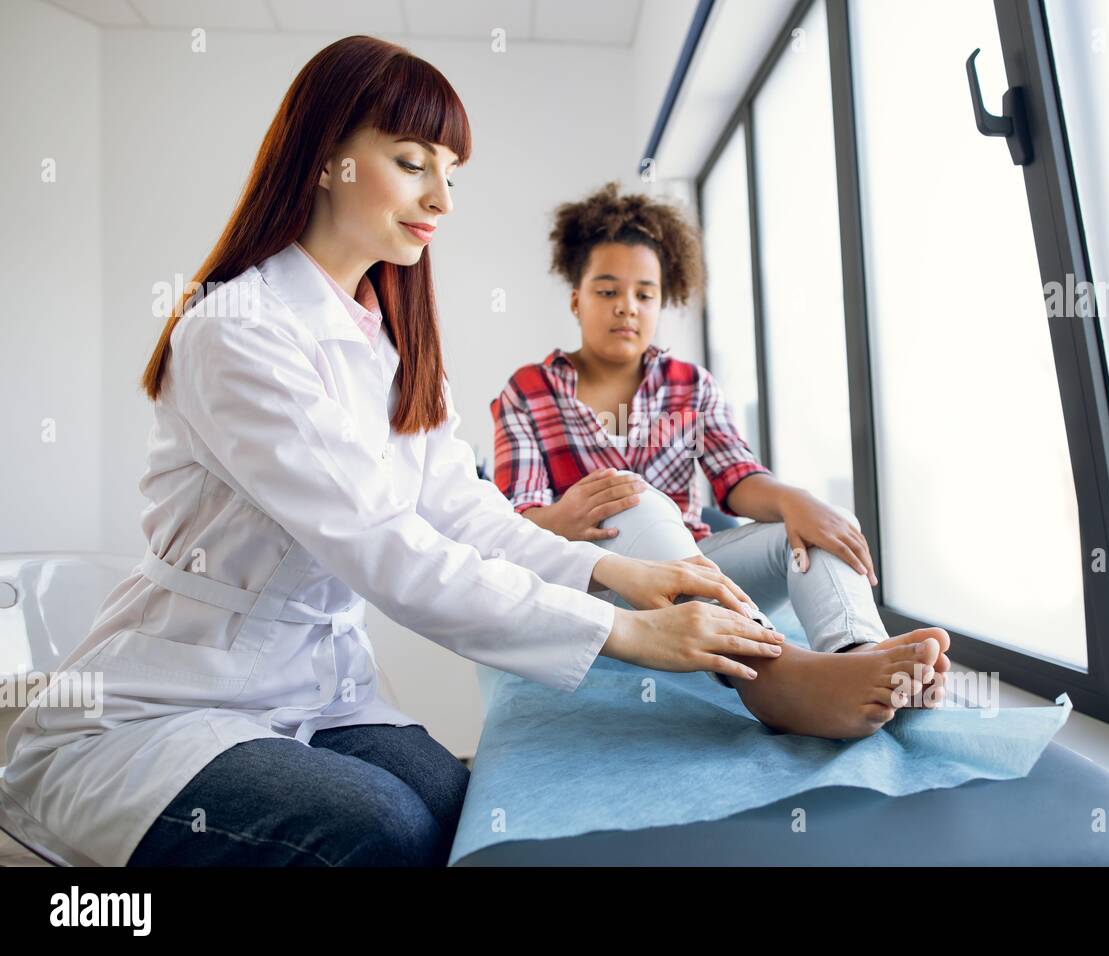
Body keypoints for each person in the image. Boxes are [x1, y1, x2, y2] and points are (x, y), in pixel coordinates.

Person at [0, 37, 784, 869]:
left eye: (451, 171)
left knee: (462, 812)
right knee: (382, 829)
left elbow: (458, 510)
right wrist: (630, 634)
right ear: (322, 157)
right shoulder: (238, 332)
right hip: (170, 709)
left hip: (313, 691)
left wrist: (617, 574)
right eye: (412, 162)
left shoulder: (391, 340)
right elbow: (385, 549)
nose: (441, 197)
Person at [491, 182, 952, 741]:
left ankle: (855, 655)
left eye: (644, 294)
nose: (626, 307)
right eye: (607, 290)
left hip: (696, 567)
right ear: (576, 300)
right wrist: (563, 519)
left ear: (663, 302)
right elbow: (510, 525)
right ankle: (770, 672)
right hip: (607, 584)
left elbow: (737, 480)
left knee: (809, 531)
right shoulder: (529, 389)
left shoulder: (690, 384)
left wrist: (799, 503)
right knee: (635, 497)